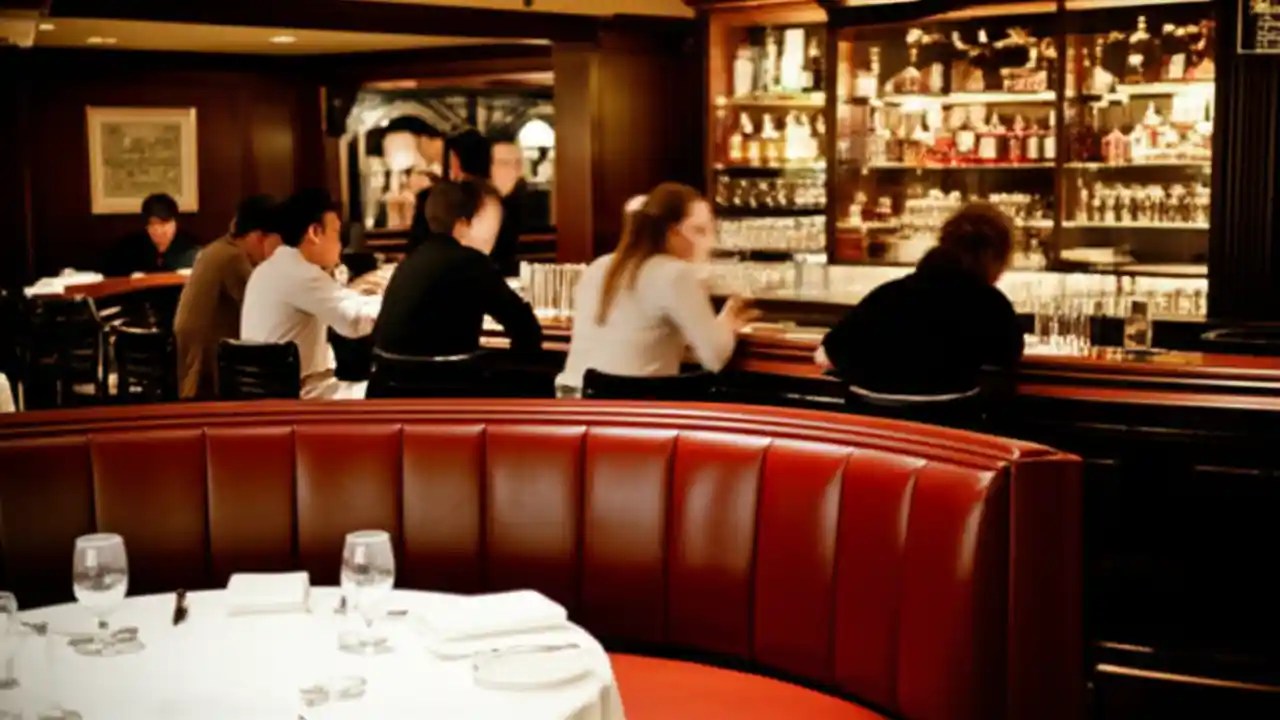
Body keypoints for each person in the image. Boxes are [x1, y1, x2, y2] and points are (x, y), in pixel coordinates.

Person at [555, 182, 758, 396]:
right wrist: (729, 321)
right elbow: (714, 357)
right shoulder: (675, 274)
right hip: (631, 409)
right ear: (672, 232)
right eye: (699, 231)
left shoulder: (599, 266)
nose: (710, 243)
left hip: (570, 403)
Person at [817, 201, 1024, 398]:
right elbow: (1008, 361)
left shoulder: (887, 296)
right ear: (993, 257)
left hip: (874, 420)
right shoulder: (993, 307)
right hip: (955, 420)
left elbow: (825, 357)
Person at [374, 179, 542, 358]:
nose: (495, 230)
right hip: (449, 374)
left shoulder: (410, 262)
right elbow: (526, 327)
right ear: (461, 226)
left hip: (388, 373)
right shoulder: (471, 262)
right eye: (488, 219)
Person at [240, 189, 381, 400]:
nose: (340, 245)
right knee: (391, 394)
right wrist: (395, 301)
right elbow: (352, 322)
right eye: (336, 233)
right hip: (303, 397)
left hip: (276, 395)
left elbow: (340, 300)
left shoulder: (270, 268)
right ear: (314, 232)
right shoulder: (298, 273)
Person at [173, 195, 281, 400]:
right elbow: (265, 310)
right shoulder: (233, 258)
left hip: (191, 363)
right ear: (258, 236)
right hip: (209, 371)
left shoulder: (215, 249)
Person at [104, 193, 200, 276]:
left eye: (164, 224)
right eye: (153, 224)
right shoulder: (129, 251)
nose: (159, 231)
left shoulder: (193, 253)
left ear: (175, 223)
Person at [489, 137, 526, 277]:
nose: (514, 170)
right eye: (504, 163)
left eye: (518, 163)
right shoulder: (478, 205)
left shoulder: (525, 202)